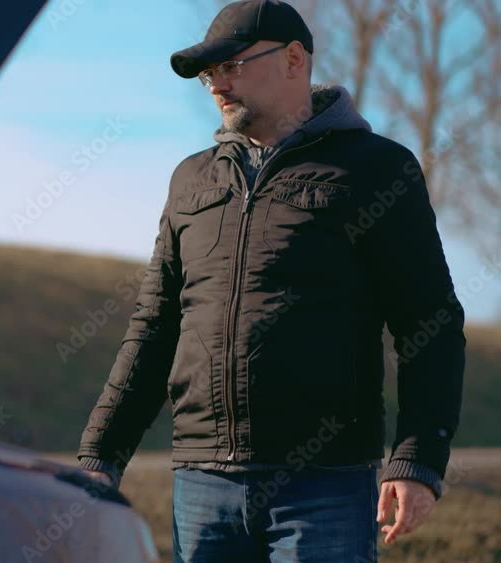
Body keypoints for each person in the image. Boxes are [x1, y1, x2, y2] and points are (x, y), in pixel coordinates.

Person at [75, 1, 466, 561]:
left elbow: (429, 322)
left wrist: (418, 458)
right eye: (211, 74)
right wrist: (99, 457)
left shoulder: (376, 169)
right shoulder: (190, 180)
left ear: (294, 59)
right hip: (201, 485)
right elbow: (154, 328)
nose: (218, 85)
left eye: (232, 66)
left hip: (325, 487)